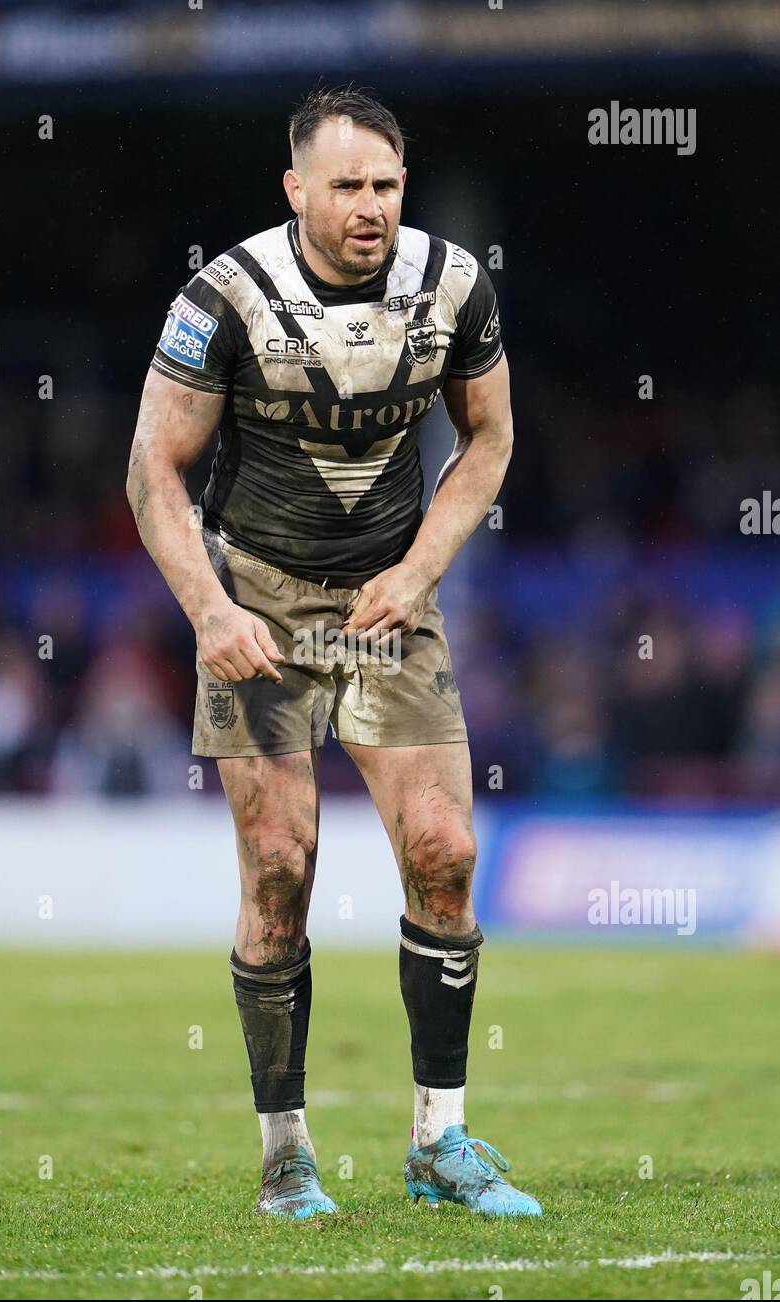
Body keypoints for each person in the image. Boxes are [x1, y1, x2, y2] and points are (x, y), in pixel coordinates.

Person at [127, 84, 541, 1220]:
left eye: (388, 185)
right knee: (277, 873)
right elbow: (152, 469)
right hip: (255, 605)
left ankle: (439, 1144)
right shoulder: (224, 297)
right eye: (348, 186)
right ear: (295, 188)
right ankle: (284, 1154)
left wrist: (416, 572)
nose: (371, 207)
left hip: (386, 607)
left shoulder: (452, 284)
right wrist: (212, 611)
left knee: (446, 850)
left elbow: (493, 434)